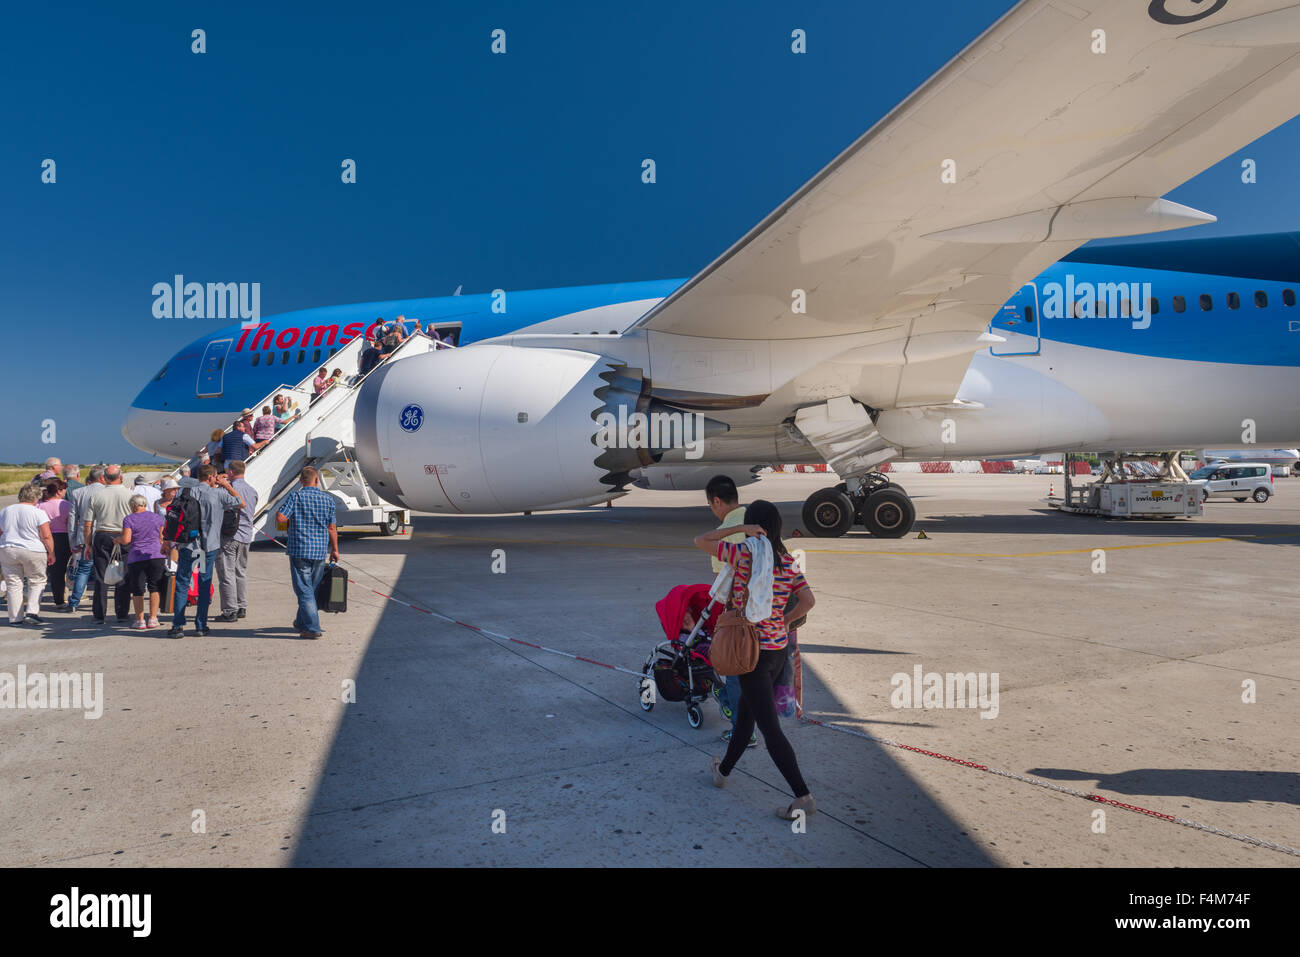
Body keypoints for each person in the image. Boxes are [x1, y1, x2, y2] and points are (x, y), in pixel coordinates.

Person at [694, 500, 816, 821]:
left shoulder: (744, 553)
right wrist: (785, 621)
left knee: (770, 730)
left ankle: (802, 796)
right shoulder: (787, 560)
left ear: (754, 524)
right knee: (746, 718)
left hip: (750, 654)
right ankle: (722, 770)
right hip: (776, 653)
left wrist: (739, 530)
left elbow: (701, 540)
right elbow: (808, 600)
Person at [704, 475, 754, 748]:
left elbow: (722, 586)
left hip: (740, 615)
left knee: (735, 674)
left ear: (717, 501)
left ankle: (742, 732)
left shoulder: (724, 533)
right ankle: (759, 724)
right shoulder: (757, 521)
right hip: (767, 613)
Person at [168, 465, 244, 639]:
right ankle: (201, 625)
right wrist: (225, 485)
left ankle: (178, 625)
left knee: (182, 583)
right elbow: (239, 502)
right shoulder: (218, 494)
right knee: (204, 584)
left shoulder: (184, 493)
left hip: (188, 544)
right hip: (208, 546)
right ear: (211, 477)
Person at [276, 466, 338, 639]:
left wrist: (286, 527)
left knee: (304, 590)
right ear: (317, 480)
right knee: (311, 588)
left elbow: (281, 518)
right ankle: (301, 621)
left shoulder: (296, 496)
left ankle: (312, 628)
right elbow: (332, 528)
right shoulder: (328, 500)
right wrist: (335, 549)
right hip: (319, 551)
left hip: (299, 549)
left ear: (300, 481)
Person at [83, 465, 136, 624]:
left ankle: (99, 614)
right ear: (121, 477)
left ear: (104, 478)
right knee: (123, 574)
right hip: (124, 534)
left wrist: (88, 544)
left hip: (102, 535)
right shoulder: (130, 495)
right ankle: (122, 612)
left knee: (101, 575)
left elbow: (88, 524)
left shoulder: (96, 496)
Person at [1, 484, 55, 625]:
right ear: (36, 498)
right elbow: (46, 536)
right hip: (33, 549)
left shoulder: (5, 511)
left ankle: (15, 618)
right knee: (37, 581)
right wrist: (51, 552)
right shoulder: (38, 512)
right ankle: (32, 611)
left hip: (8, 548)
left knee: (13, 584)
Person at [214, 460, 258, 622]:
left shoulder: (229, 491)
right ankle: (241, 606)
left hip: (230, 536)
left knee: (227, 573)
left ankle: (230, 610)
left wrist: (222, 485)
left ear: (230, 472)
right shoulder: (252, 491)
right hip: (246, 535)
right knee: (240, 572)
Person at [115, 494, 166, 629]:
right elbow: (162, 537)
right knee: (155, 587)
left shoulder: (129, 519)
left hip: (137, 557)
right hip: (156, 555)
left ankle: (140, 620)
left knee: (138, 589)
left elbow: (126, 540)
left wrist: (117, 540)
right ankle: (153, 618)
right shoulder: (157, 517)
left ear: (132, 505)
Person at [64, 465, 105, 613]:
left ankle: (74, 602)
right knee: (104, 569)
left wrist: (72, 540)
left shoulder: (78, 492)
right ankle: (101, 603)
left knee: (83, 569)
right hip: (104, 534)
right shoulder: (106, 491)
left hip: (84, 535)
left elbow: (72, 519)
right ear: (102, 477)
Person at [37, 479, 71, 611]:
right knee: (62, 570)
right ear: (58, 491)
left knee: (48, 571)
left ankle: (49, 599)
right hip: (63, 537)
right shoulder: (66, 505)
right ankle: (62, 599)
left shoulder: (39, 505)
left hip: (44, 537)